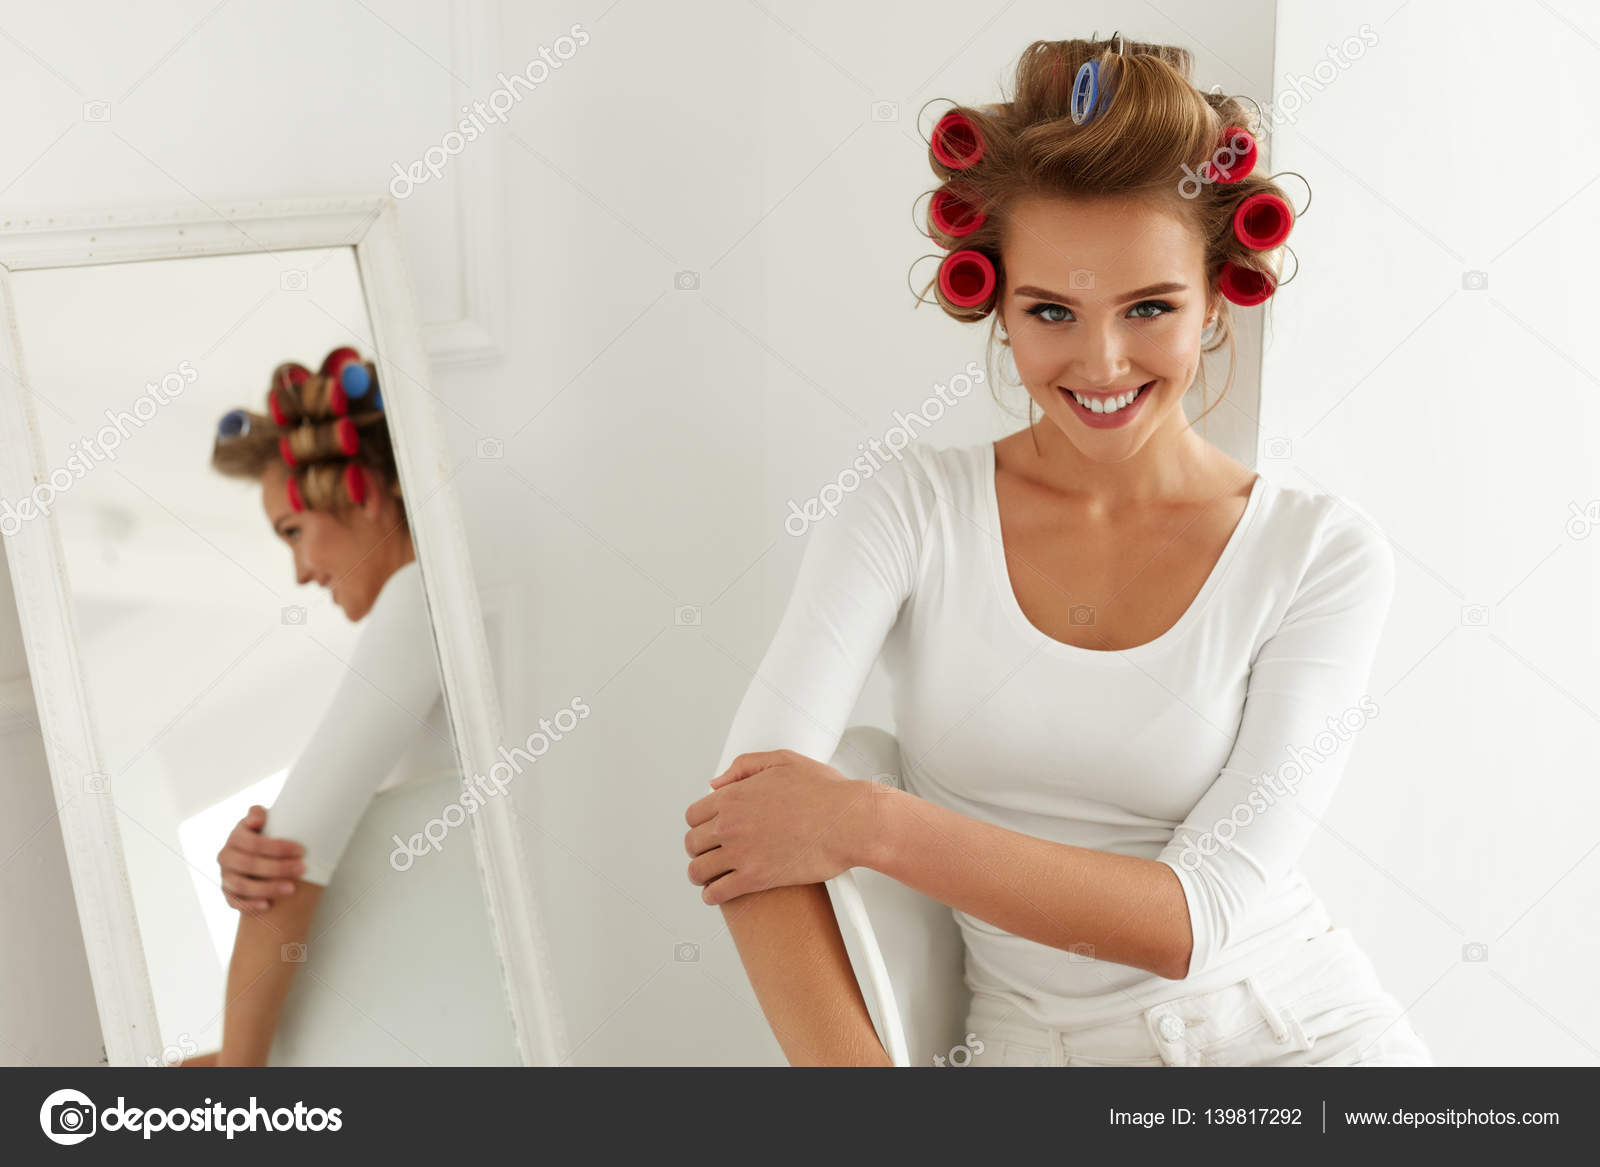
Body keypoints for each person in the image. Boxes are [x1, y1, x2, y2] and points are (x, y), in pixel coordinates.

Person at [682, 36, 1431, 1067]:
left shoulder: (1320, 554)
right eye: (1052, 312)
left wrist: (865, 823)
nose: (1102, 362)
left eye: (1150, 307)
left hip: (1296, 1037)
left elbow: (1190, 920)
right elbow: (740, 833)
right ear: (998, 306)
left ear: (1217, 298)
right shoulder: (909, 511)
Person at [186, 348, 458, 1065]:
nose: (301, 573)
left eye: (293, 531)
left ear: (362, 492)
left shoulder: (419, 596)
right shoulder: (449, 610)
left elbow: (293, 855)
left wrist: (235, 1086)